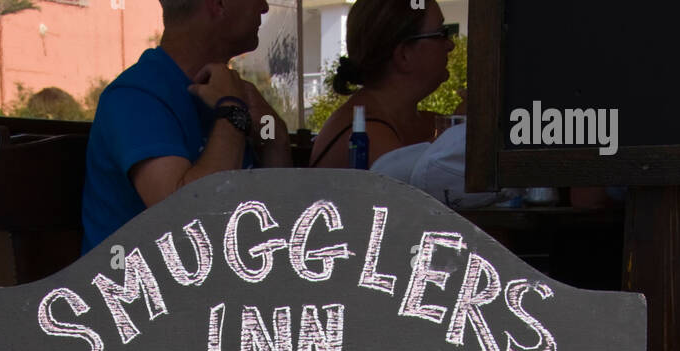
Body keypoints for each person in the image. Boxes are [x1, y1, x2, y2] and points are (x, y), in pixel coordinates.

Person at [81, 0, 290, 253]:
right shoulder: (135, 97)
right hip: (144, 290)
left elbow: (275, 229)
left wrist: (273, 137)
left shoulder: (230, 92)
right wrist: (233, 113)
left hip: (219, 286)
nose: (264, 7)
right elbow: (190, 220)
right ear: (219, 4)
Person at [310, 0, 454, 170]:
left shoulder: (422, 122)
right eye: (441, 34)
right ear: (404, 55)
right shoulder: (369, 135)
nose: (450, 45)